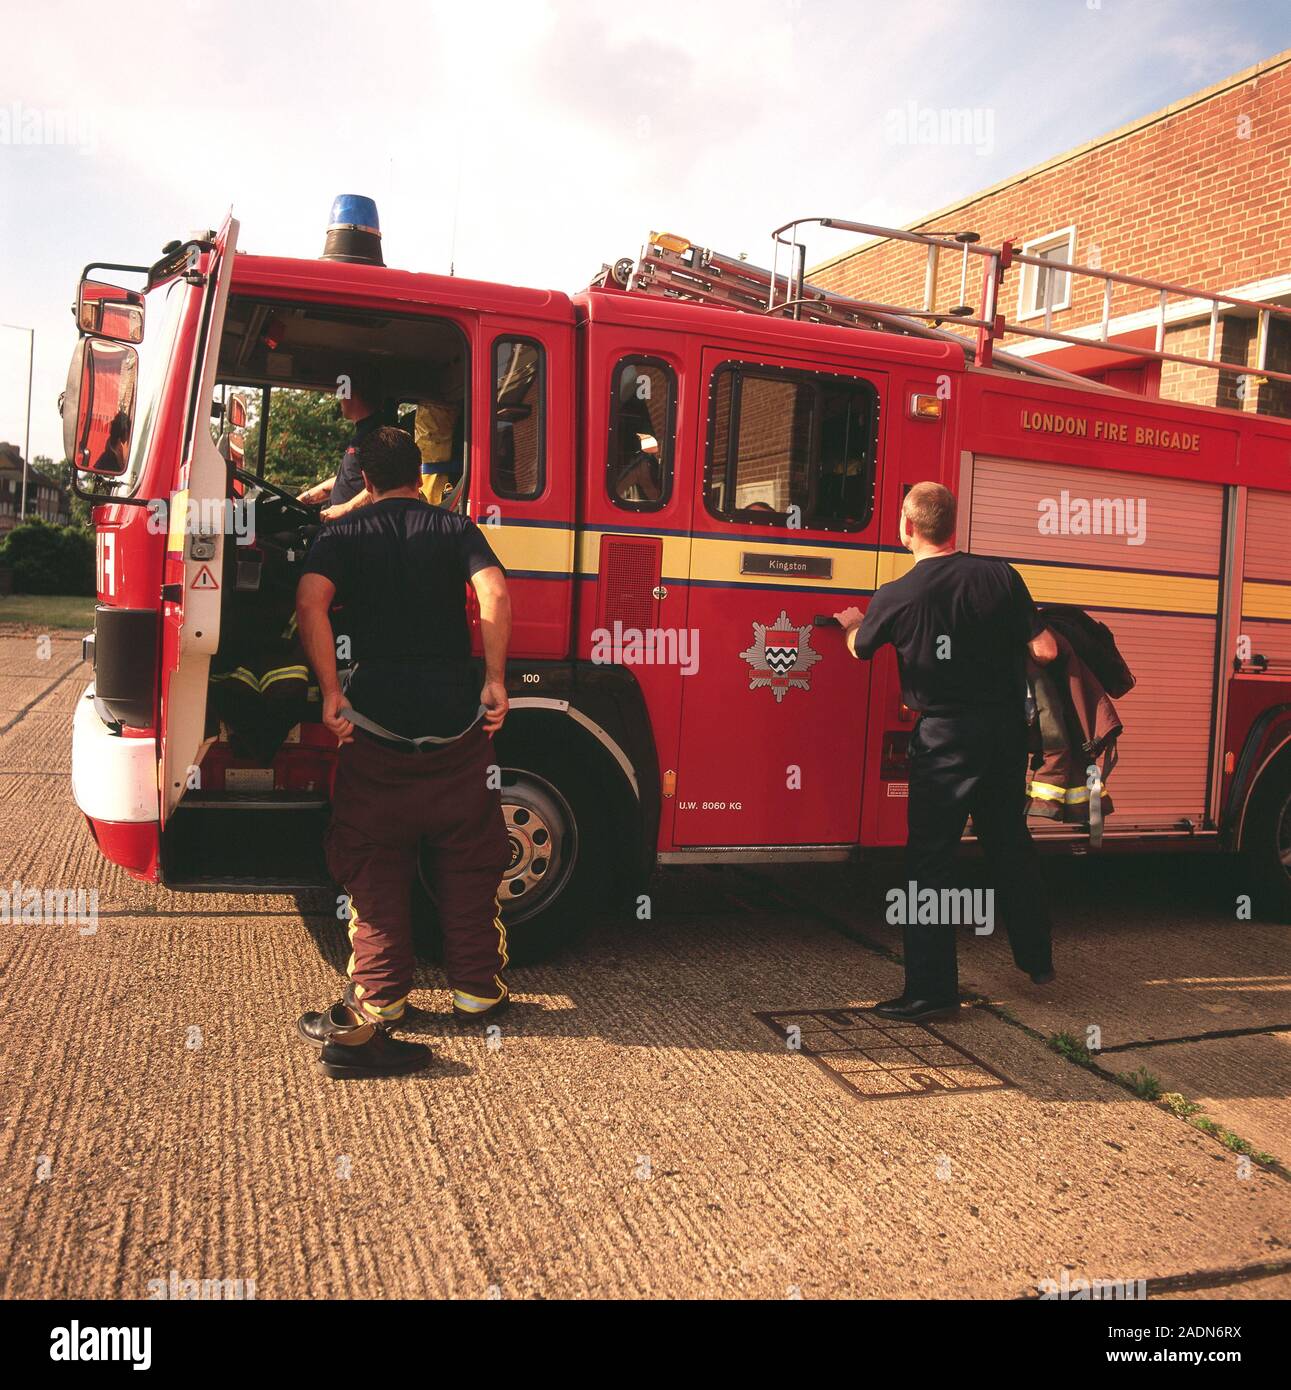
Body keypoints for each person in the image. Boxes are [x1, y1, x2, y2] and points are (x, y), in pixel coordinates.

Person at [295, 425, 512, 1079]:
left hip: (376, 728)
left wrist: (332, 693)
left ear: (362, 478)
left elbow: (310, 602)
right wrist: (494, 680)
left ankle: (382, 1002)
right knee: (470, 862)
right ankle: (477, 993)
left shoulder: (338, 534)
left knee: (374, 865)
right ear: (420, 474)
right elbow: (495, 593)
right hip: (455, 729)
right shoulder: (455, 528)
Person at [834, 482, 1058, 1023]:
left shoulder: (898, 594)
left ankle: (931, 992)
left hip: (945, 739)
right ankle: (1038, 958)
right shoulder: (1001, 575)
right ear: (952, 525)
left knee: (930, 862)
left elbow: (861, 650)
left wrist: (852, 624)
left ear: (907, 528)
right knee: (1009, 842)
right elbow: (1046, 649)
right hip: (1004, 733)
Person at [297, 372, 382, 521]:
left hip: (352, 528)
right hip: (337, 523)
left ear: (352, 395)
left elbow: (384, 483)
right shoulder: (362, 432)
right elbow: (351, 477)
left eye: (342, 394)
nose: (339, 400)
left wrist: (345, 509)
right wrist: (306, 497)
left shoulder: (378, 434)